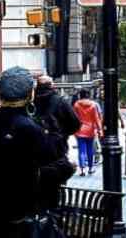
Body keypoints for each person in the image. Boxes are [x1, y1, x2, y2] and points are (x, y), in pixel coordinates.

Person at [0, 67, 75, 237]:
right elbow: (39, 174)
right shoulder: (32, 129)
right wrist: (68, 167)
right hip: (23, 217)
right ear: (29, 95)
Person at [33, 75, 80, 210]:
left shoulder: (31, 102)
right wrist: (63, 133)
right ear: (52, 86)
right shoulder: (60, 102)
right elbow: (75, 124)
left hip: (36, 153)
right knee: (56, 186)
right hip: (56, 151)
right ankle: (53, 216)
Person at [73, 89, 102, 176]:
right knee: (90, 150)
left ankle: (82, 170)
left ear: (80, 95)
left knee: (81, 150)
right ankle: (90, 168)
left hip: (79, 130)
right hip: (90, 130)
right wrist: (100, 130)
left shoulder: (76, 105)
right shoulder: (93, 105)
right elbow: (96, 118)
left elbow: (74, 118)